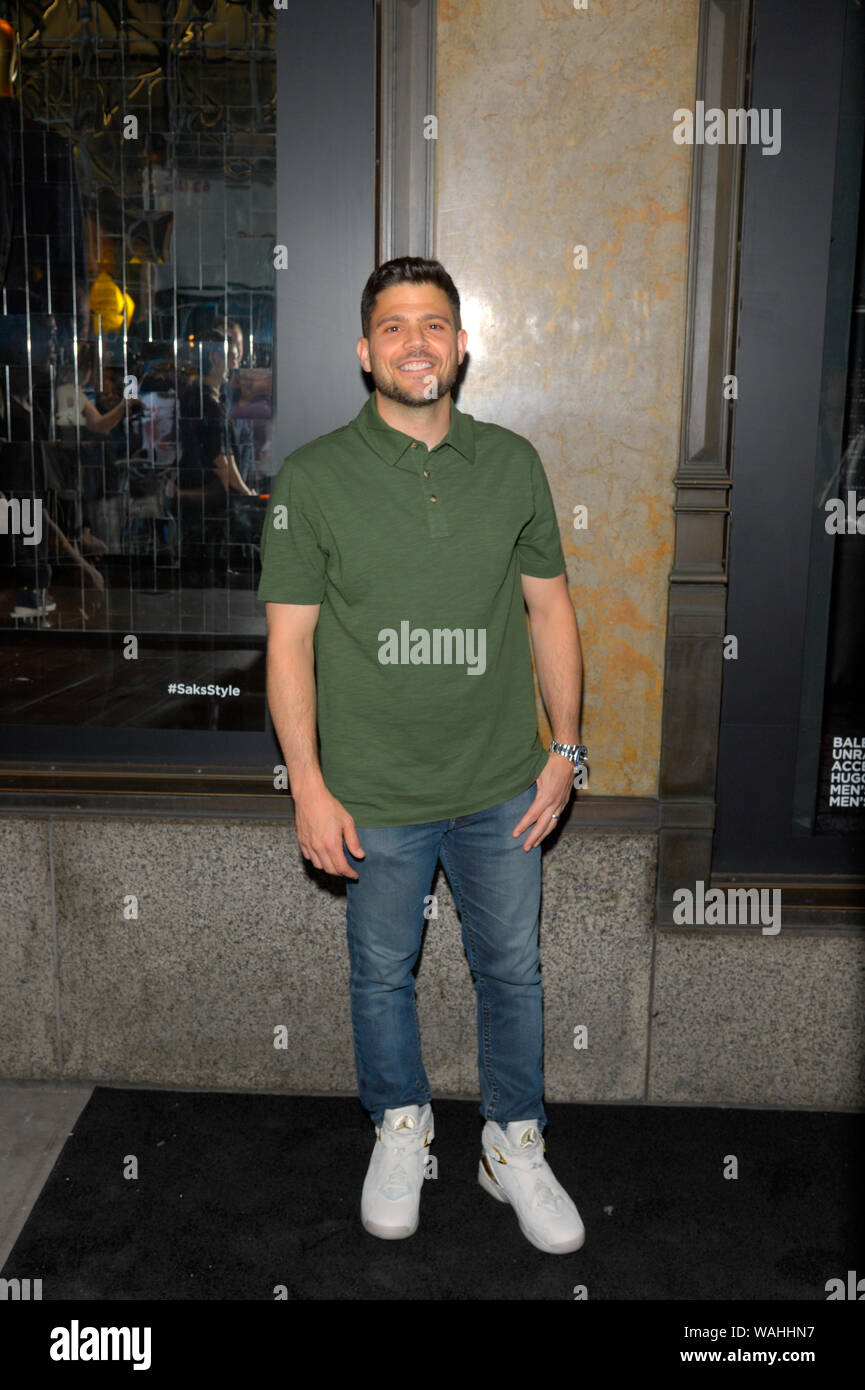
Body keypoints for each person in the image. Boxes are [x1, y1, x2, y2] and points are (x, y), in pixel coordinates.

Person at [257, 257, 588, 1255]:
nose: (416, 341)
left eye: (434, 324)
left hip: (501, 785)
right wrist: (308, 786)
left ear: (460, 345)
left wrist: (566, 749)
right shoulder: (312, 478)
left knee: (511, 970)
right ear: (365, 352)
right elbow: (288, 646)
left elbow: (551, 611)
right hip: (374, 792)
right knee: (379, 971)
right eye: (395, 326)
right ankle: (400, 1123)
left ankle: (511, 1142)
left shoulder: (513, 463)